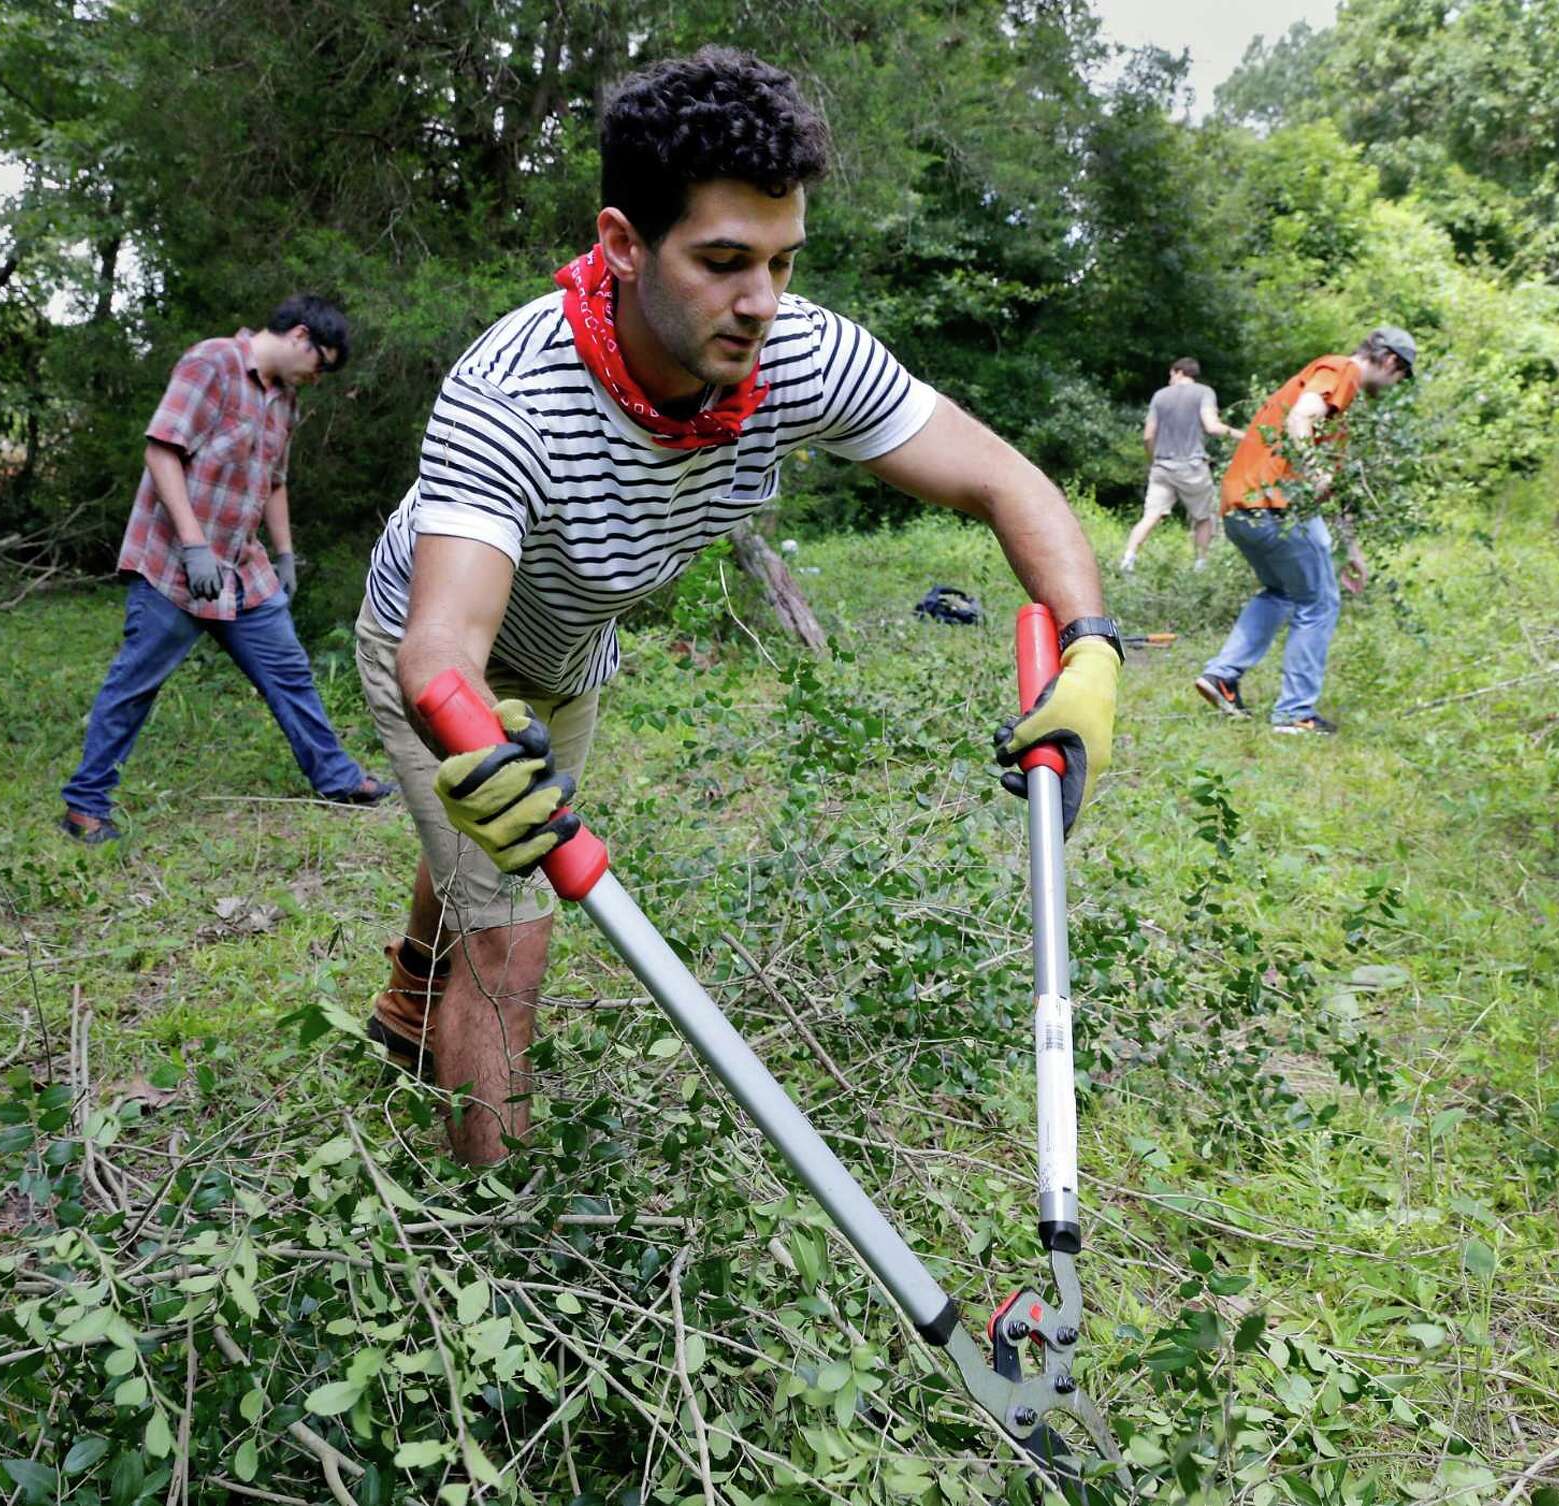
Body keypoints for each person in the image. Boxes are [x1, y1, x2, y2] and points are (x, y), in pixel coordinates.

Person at [354, 48, 1121, 1164]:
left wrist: (1089, 648)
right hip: (435, 653)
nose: (759, 302)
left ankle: (406, 997)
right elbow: (443, 650)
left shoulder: (799, 354)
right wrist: (460, 727)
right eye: (721, 262)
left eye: (780, 260)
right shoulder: (507, 392)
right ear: (621, 243)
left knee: (483, 831)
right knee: (511, 939)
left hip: (570, 650)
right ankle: (493, 1235)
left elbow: (1004, 481)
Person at [59, 295, 394, 843]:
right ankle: (84, 807)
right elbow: (162, 452)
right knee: (135, 684)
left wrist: (284, 555)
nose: (322, 375)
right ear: (300, 336)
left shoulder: (284, 400)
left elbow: (275, 481)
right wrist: (194, 547)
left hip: (241, 569)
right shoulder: (211, 362)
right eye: (322, 362)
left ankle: (338, 779)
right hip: (173, 564)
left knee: (289, 673)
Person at [1192, 327, 1415, 735]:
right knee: (1320, 603)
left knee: (1281, 593)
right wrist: (1313, 472)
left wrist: (1353, 552)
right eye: (1400, 376)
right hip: (1277, 506)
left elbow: (1332, 490)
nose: (1395, 384)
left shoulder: (1340, 415)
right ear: (1390, 362)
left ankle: (1222, 677)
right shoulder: (1341, 369)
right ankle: (1295, 714)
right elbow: (1301, 417)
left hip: (1240, 507)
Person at [1118, 357, 1246, 573]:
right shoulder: (1204, 392)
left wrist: (1154, 459)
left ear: (1178, 372)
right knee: (1204, 517)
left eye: (1170, 374)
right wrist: (1244, 436)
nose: (1170, 379)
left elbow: (1148, 435)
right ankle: (1201, 565)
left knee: (1150, 516)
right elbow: (1212, 427)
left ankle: (1128, 558)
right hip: (1192, 467)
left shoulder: (1159, 396)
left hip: (1162, 467)